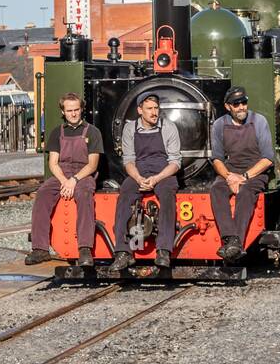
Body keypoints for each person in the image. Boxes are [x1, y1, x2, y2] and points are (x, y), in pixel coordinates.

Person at [26, 92, 102, 267]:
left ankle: (84, 248)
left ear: (82, 109)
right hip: (62, 173)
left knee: (84, 195)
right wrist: (63, 181)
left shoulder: (93, 132)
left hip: (83, 174)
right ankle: (40, 249)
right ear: (63, 112)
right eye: (69, 110)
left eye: (76, 110)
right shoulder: (56, 133)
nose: (73, 114)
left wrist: (74, 180)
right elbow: (53, 163)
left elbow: (92, 165)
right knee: (43, 193)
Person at [112, 92, 182, 270]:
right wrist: (138, 178)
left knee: (167, 195)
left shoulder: (168, 127)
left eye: (156, 108)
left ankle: (163, 250)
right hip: (139, 171)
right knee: (125, 193)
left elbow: (175, 162)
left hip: (163, 172)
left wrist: (157, 178)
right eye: (149, 108)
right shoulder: (130, 129)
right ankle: (123, 251)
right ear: (139, 110)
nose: (154, 112)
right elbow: (128, 160)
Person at [208, 86, 274, 263]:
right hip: (231, 170)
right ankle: (232, 240)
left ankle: (235, 244)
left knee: (245, 193)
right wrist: (229, 177)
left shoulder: (259, 121)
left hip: (255, 172)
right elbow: (217, 158)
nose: (241, 107)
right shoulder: (219, 125)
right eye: (236, 104)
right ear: (228, 106)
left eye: (243, 102)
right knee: (217, 190)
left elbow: (268, 158)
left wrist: (244, 177)